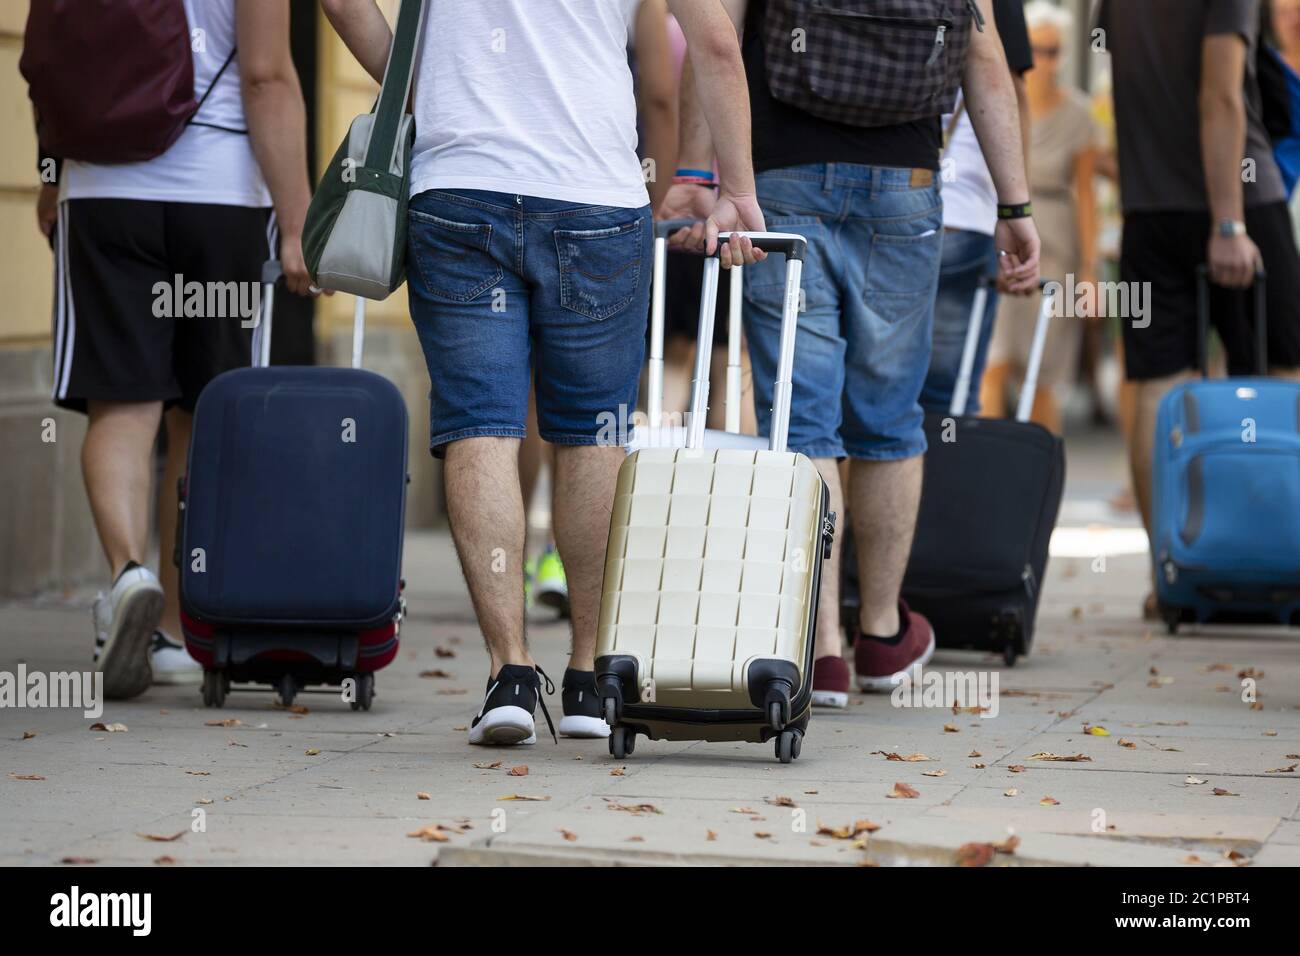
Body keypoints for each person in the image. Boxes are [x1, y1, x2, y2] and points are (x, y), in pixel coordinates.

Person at [322, 0, 765, 746]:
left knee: (480, 426)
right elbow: (716, 40)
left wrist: (427, 89)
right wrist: (739, 189)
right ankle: (590, 679)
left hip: (458, 187)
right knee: (593, 433)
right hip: (594, 196)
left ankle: (510, 674)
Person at [665, 0, 1040, 707]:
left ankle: (820, 646)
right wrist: (1014, 208)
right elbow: (985, 62)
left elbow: (718, 36)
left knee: (801, 417)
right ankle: (881, 629)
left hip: (779, 184)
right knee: (890, 414)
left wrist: (698, 169)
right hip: (906, 182)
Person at [30, 0, 313, 699]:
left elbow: (53, 64)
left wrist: (48, 173)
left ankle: (130, 580)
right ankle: (188, 627)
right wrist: (299, 219)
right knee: (204, 414)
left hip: (103, 191)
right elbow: (267, 77)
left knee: (123, 406)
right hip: (221, 201)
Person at [1100, 0, 1300, 620]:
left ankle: (1172, 580)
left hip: (1148, 211)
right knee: (1285, 374)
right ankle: (1281, 564)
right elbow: (1219, 97)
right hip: (1238, 205)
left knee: (1158, 390)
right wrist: (1228, 221)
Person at [981, 2, 1100, 434]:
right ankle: (984, 468)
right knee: (992, 363)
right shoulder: (996, 100)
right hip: (999, 235)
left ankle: (1036, 476)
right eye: (1039, 50)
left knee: (1042, 373)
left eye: (1054, 51)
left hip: (1055, 241)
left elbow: (1085, 195)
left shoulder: (1079, 115)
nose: (1046, 61)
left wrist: (1089, 273)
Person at [921, 0, 1036, 416]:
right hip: (963, 214)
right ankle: (943, 480)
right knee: (948, 394)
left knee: (864, 396)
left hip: (887, 200)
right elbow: (1013, 93)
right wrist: (1017, 208)